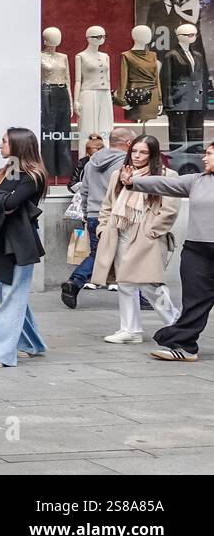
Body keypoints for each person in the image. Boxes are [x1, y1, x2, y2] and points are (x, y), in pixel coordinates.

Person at [122, 142, 214, 361]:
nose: (204, 158)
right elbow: (164, 183)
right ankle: (184, 347)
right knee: (194, 301)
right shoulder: (198, 181)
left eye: (209, 154)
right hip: (197, 251)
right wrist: (133, 181)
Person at [92, 135, 180, 344]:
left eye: (143, 152)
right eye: (134, 151)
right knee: (125, 282)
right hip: (120, 231)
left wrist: (151, 231)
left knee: (149, 283)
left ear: (153, 155)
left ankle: (175, 322)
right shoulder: (119, 175)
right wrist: (103, 229)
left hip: (146, 235)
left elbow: (169, 209)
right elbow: (108, 205)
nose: (137, 156)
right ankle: (130, 329)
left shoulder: (167, 175)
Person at [0, 127, 49, 368]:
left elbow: (9, 202)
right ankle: (31, 343)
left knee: (11, 297)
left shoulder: (33, 175)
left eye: (4, 141)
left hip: (21, 240)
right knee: (9, 295)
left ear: (18, 146)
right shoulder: (1, 173)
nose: (0, 145)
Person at [62, 126, 135, 309]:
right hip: (117, 215)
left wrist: (87, 214)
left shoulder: (91, 162)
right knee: (131, 255)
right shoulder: (126, 164)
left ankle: (76, 281)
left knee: (99, 253)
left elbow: (84, 191)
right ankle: (141, 296)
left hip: (95, 214)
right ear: (128, 143)